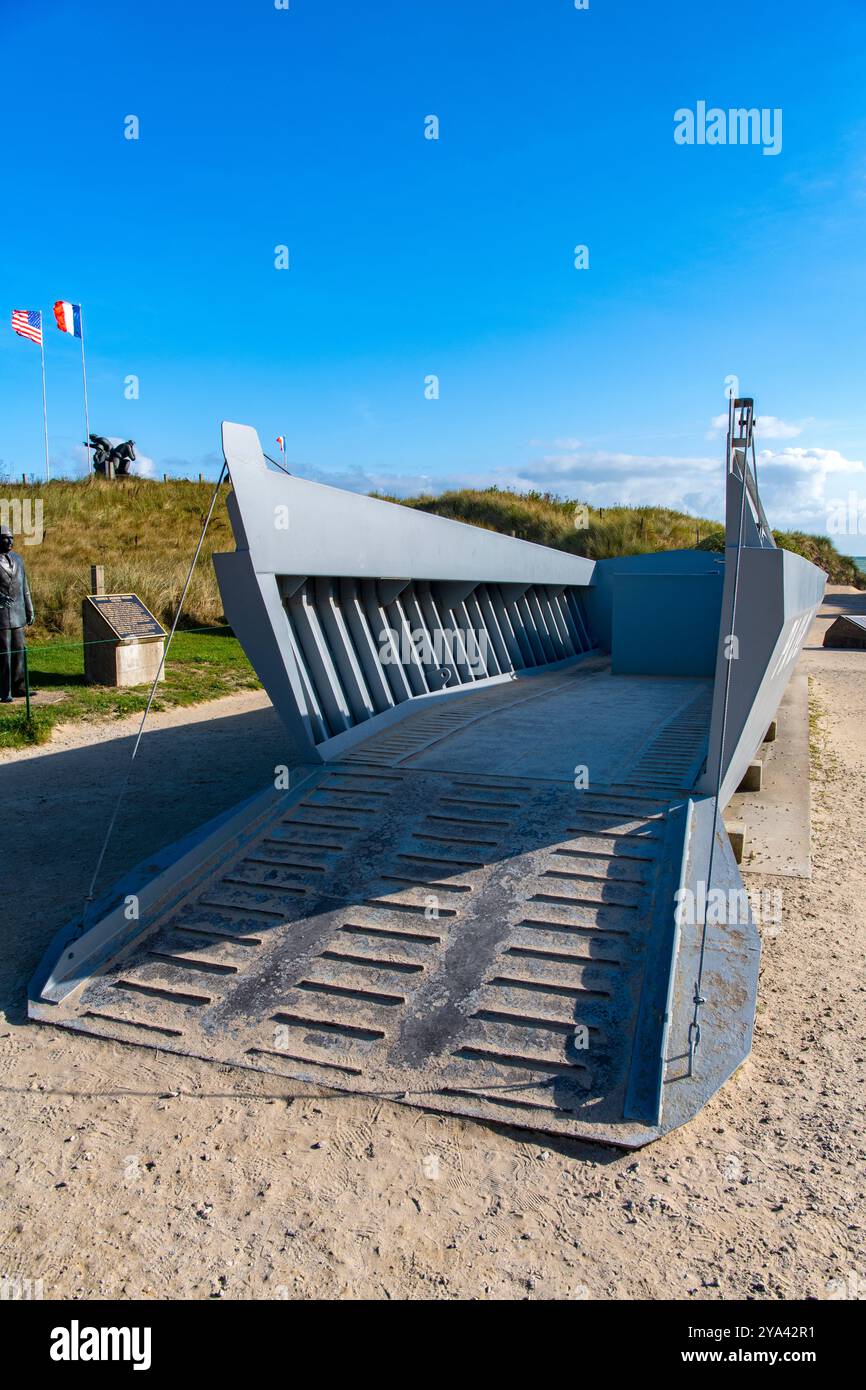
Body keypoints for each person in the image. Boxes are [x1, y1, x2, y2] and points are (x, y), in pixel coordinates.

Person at [0, 524, 35, 703]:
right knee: (4, 653)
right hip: (1, 616)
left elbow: (25, 587)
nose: (10, 541)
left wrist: (29, 609)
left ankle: (20, 687)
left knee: (19, 651)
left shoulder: (18, 559)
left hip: (18, 613)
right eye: (6, 538)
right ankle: (4, 691)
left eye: (12, 538)